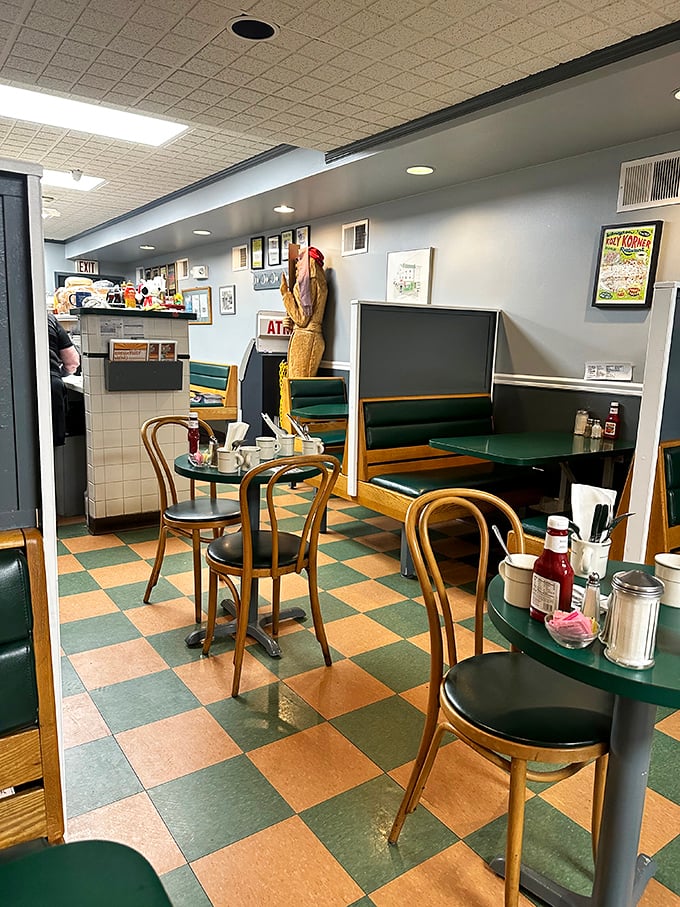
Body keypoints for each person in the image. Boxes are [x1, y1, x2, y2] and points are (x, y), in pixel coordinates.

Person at [279, 246, 327, 378]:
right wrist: (291, 322)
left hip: (305, 340)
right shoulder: (320, 281)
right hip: (312, 337)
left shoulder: (306, 283)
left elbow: (302, 319)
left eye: (300, 260)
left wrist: (285, 294)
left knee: (297, 384)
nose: (296, 265)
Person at [47, 312, 80, 446]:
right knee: (52, 444)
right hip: (52, 386)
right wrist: (59, 374)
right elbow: (73, 362)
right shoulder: (49, 319)